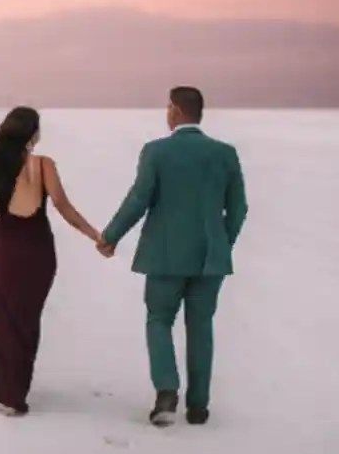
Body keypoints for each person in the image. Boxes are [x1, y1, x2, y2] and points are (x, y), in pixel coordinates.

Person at [98, 87, 248, 427]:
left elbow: (139, 199)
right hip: (210, 258)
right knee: (201, 327)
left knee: (159, 319)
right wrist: (223, 242)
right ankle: (198, 407)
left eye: (168, 108)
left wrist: (110, 236)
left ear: (176, 111)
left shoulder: (156, 152)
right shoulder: (225, 153)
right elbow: (238, 207)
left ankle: (167, 392)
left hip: (165, 256)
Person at [0, 106, 103, 416]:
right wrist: (95, 234)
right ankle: (17, 391)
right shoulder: (44, 166)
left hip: (4, 248)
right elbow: (64, 208)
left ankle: (7, 394)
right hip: (38, 251)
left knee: (3, 320)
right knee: (27, 320)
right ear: (33, 133)